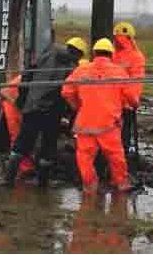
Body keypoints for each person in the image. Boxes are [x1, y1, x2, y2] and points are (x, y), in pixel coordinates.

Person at [0, 36, 88, 187]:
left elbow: (27, 75)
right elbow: (67, 93)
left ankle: (7, 181)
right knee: (48, 147)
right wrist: (69, 116)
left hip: (32, 106)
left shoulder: (47, 53)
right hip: (52, 111)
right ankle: (42, 185)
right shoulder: (73, 69)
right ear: (79, 54)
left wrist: (23, 99)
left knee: (22, 143)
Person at [62, 38, 139, 194]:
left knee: (84, 158)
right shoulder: (119, 72)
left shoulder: (81, 70)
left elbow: (66, 92)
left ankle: (89, 186)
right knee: (116, 156)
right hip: (108, 124)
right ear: (111, 54)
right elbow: (132, 98)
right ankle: (122, 183)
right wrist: (133, 104)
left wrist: (77, 106)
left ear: (94, 53)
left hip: (85, 124)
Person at [111, 21, 146, 168]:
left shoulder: (115, 55)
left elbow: (135, 82)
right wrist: (134, 101)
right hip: (122, 103)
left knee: (117, 133)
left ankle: (118, 158)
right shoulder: (136, 56)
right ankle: (121, 159)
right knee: (122, 133)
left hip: (117, 103)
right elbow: (136, 82)